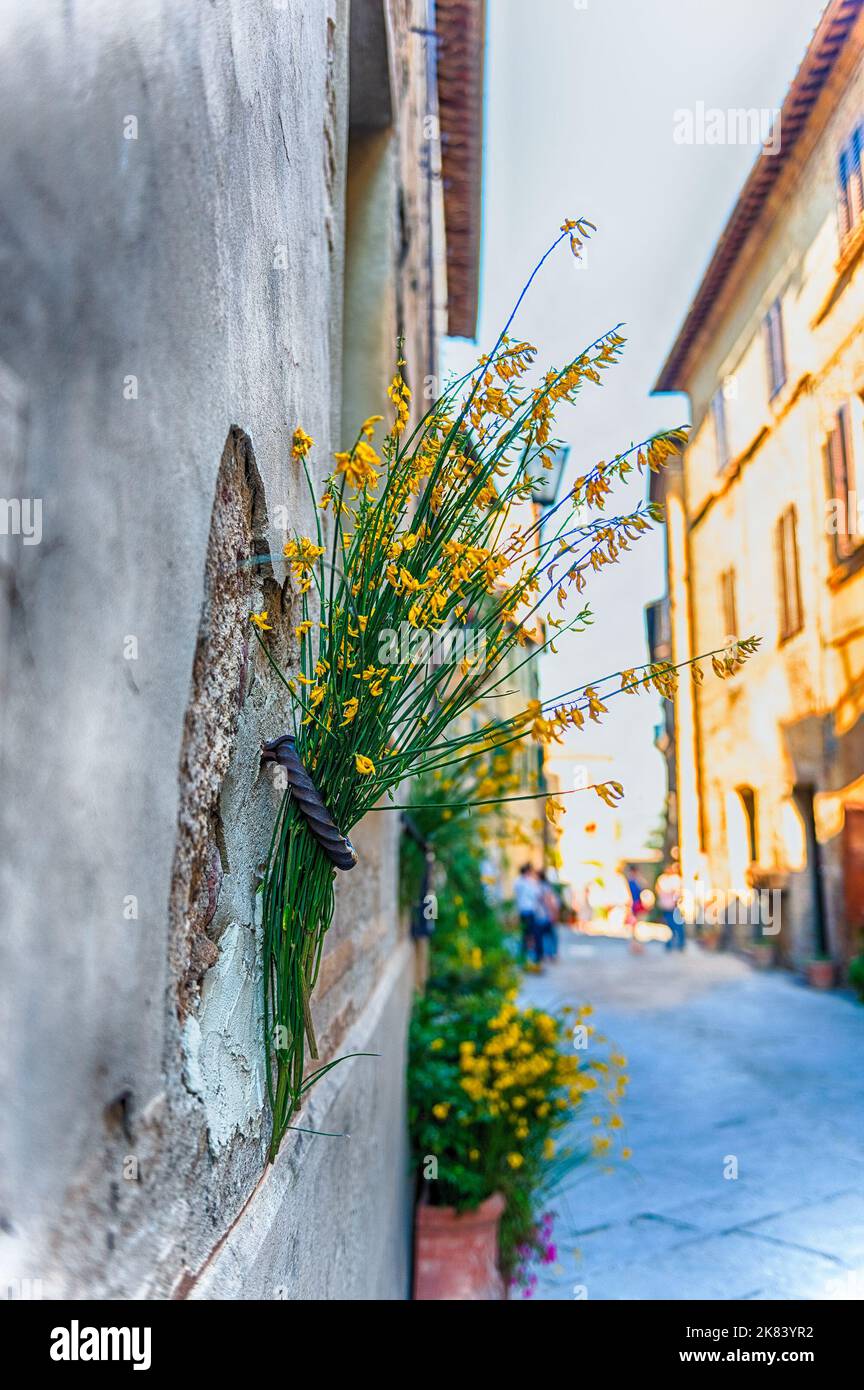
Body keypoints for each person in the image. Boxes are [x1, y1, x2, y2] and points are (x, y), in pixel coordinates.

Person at [514, 864, 542, 965]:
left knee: (525, 934)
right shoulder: (530, 882)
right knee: (534, 934)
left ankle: (524, 956)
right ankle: (536, 956)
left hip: (522, 911)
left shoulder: (517, 881)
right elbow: (538, 895)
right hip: (530, 911)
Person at [656, 863, 685, 951]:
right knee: (669, 926)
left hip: (675, 907)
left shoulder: (676, 879)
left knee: (679, 926)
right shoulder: (662, 879)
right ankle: (669, 944)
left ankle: (680, 944)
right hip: (666, 907)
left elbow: (679, 892)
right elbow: (659, 890)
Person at [537, 872, 560, 961]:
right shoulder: (545, 887)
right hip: (546, 915)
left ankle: (548, 954)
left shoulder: (539, 886)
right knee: (551, 935)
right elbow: (549, 902)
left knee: (546, 935)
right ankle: (551, 954)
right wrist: (553, 913)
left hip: (542, 915)